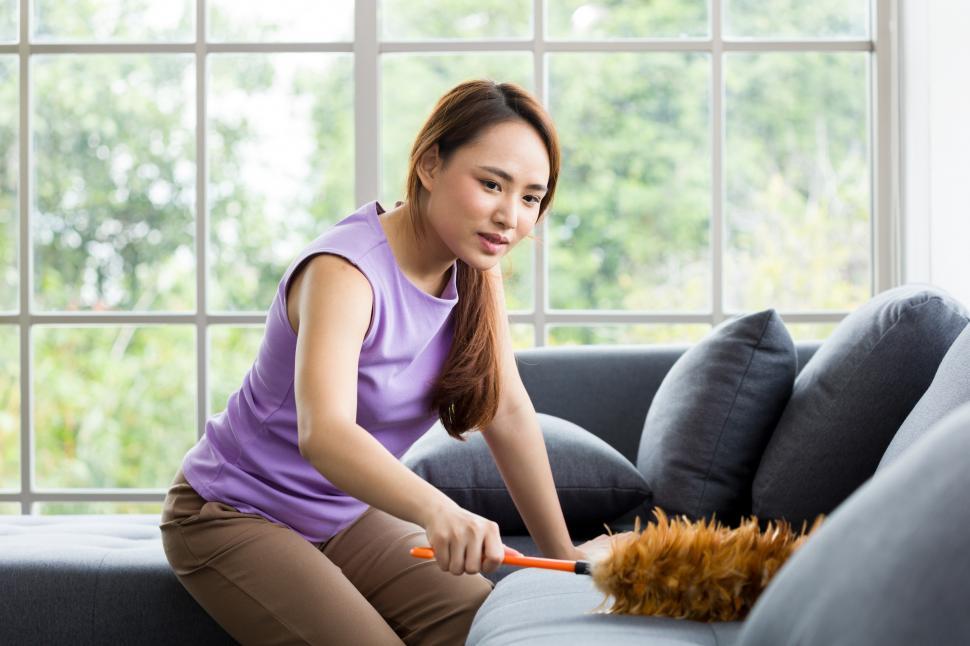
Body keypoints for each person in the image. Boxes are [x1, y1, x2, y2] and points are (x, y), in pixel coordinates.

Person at [159, 79, 613, 645]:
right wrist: (436, 509)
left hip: (342, 515)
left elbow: (508, 411)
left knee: (488, 627)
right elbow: (323, 433)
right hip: (232, 513)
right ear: (428, 164)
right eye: (491, 184)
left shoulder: (475, 269)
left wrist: (562, 553)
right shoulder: (344, 272)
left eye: (529, 198)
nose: (510, 217)